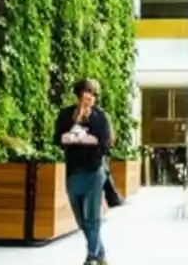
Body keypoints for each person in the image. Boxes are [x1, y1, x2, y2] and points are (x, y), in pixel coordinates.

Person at [54, 78, 113, 265]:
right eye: (87, 92)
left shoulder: (99, 117)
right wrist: (78, 138)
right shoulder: (66, 115)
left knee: (92, 218)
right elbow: (58, 138)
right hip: (73, 172)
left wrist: (78, 139)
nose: (90, 97)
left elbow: (103, 142)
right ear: (79, 94)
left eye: (94, 94)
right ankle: (100, 254)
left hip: (94, 172)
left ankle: (92, 257)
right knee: (81, 220)